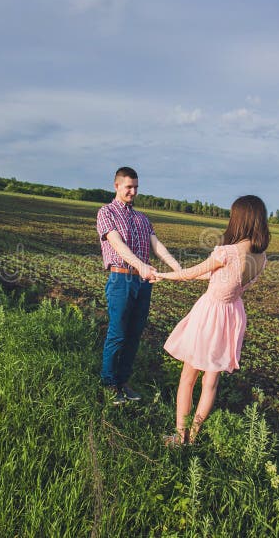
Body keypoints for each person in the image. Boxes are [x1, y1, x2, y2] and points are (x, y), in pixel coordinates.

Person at [154, 195, 270, 445]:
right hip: (232, 316)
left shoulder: (227, 252)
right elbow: (215, 279)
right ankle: (193, 438)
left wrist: (161, 275)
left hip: (210, 316)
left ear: (239, 219)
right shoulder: (261, 258)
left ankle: (180, 436)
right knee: (211, 382)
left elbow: (194, 273)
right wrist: (177, 274)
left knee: (188, 378)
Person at [96, 167, 182, 405]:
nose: (133, 192)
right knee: (118, 334)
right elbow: (117, 244)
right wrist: (141, 265)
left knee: (134, 335)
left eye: (136, 187)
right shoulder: (106, 212)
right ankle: (109, 384)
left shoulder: (142, 218)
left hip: (143, 284)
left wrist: (178, 269)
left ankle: (123, 381)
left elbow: (157, 246)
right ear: (116, 186)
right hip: (121, 279)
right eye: (128, 187)